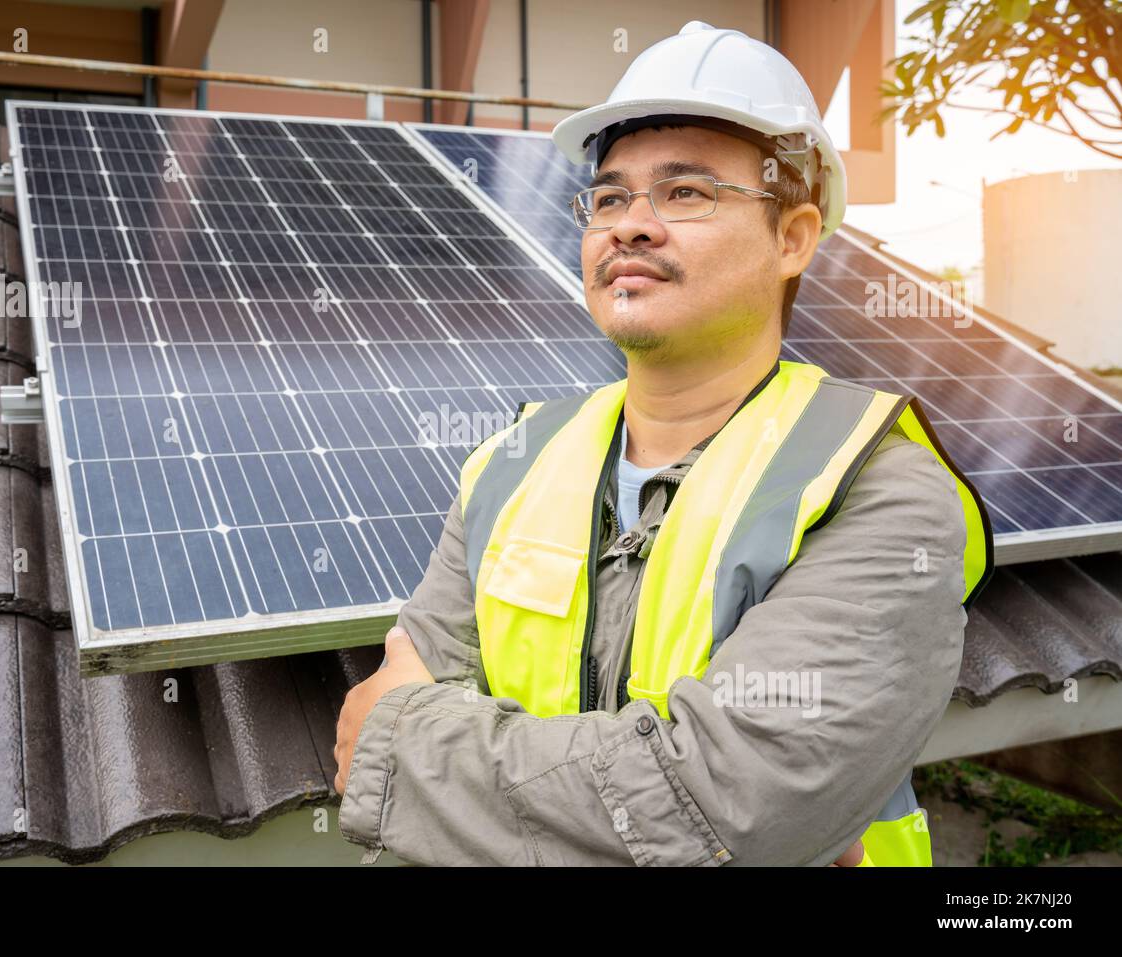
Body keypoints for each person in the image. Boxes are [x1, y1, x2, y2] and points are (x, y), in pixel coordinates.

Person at [332, 21, 993, 866]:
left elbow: (724, 809)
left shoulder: (881, 491)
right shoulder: (512, 463)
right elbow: (393, 711)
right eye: (609, 199)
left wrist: (409, 755)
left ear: (792, 237)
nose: (630, 227)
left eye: (685, 192)